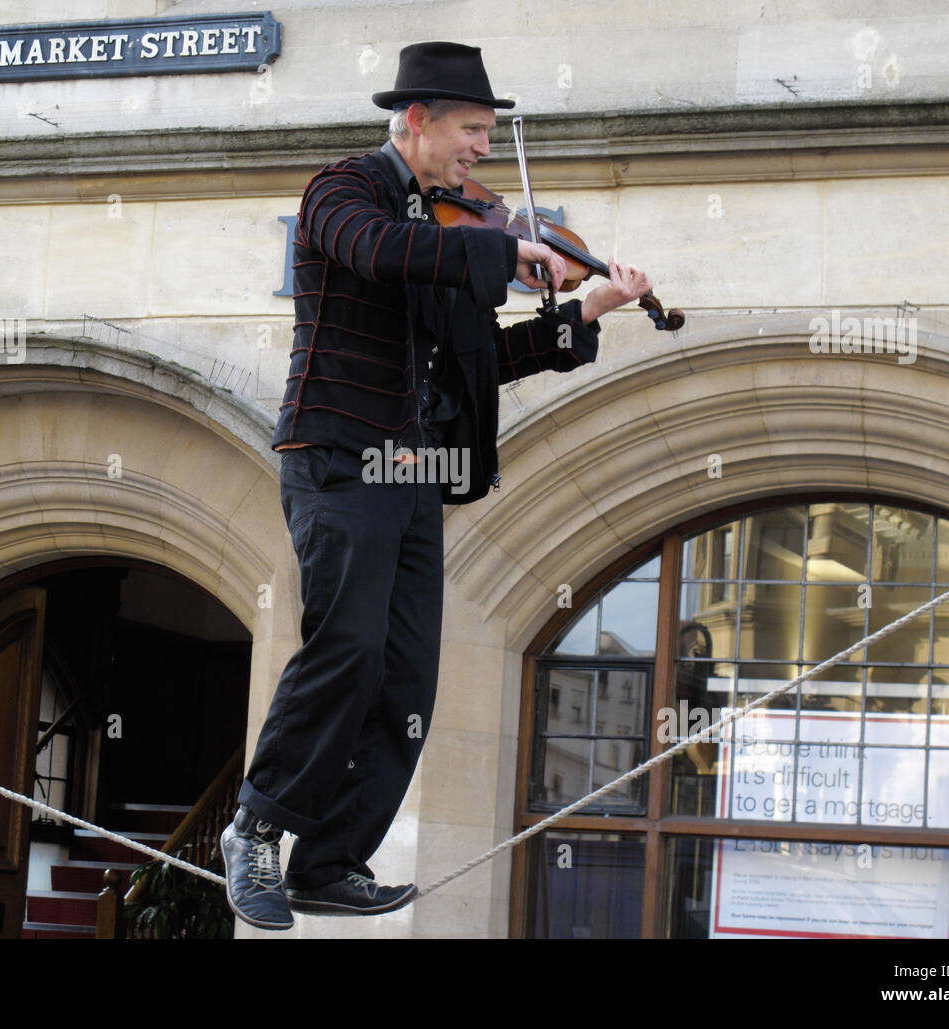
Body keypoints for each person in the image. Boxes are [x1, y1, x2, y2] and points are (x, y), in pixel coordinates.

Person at [220, 40, 652, 930]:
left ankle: (329, 860)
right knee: (344, 650)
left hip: (414, 473)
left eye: (490, 134)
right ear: (416, 121)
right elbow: (382, 254)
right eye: (472, 130)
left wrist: (583, 314)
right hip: (338, 457)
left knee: (407, 678)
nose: (483, 151)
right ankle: (256, 828)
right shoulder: (342, 193)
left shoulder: (455, 232)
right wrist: (505, 253)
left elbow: (474, 361)